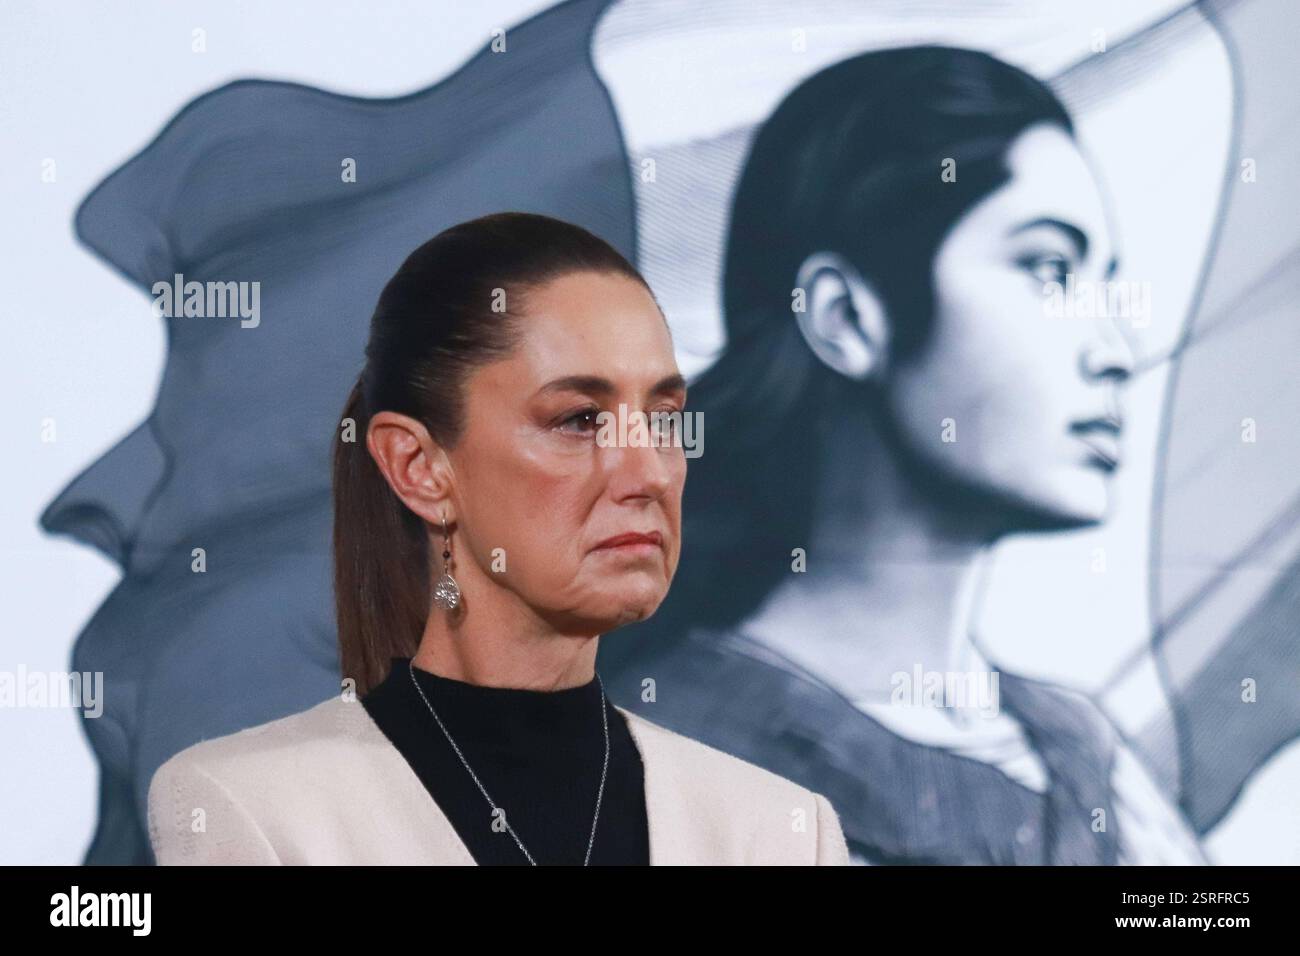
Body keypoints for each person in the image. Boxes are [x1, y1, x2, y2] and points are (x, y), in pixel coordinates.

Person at [600, 46, 1207, 865]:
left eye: (1105, 284)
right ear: (847, 318)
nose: (1115, 348)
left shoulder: (1082, 752)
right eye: (1050, 269)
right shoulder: (672, 748)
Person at [145, 212, 849, 865]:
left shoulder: (781, 832)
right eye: (579, 420)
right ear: (420, 468)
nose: (647, 473)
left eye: (664, 419)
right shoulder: (257, 811)